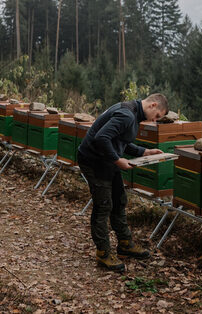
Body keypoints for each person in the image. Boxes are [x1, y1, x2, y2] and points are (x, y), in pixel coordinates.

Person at [77, 94, 169, 272]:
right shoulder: (127, 115)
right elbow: (101, 138)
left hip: (107, 160)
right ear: (153, 105)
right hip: (94, 161)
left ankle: (125, 244)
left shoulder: (132, 113)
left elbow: (119, 141)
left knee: (119, 200)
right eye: (157, 116)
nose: (155, 121)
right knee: (104, 205)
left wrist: (144, 152)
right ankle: (103, 253)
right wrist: (118, 161)